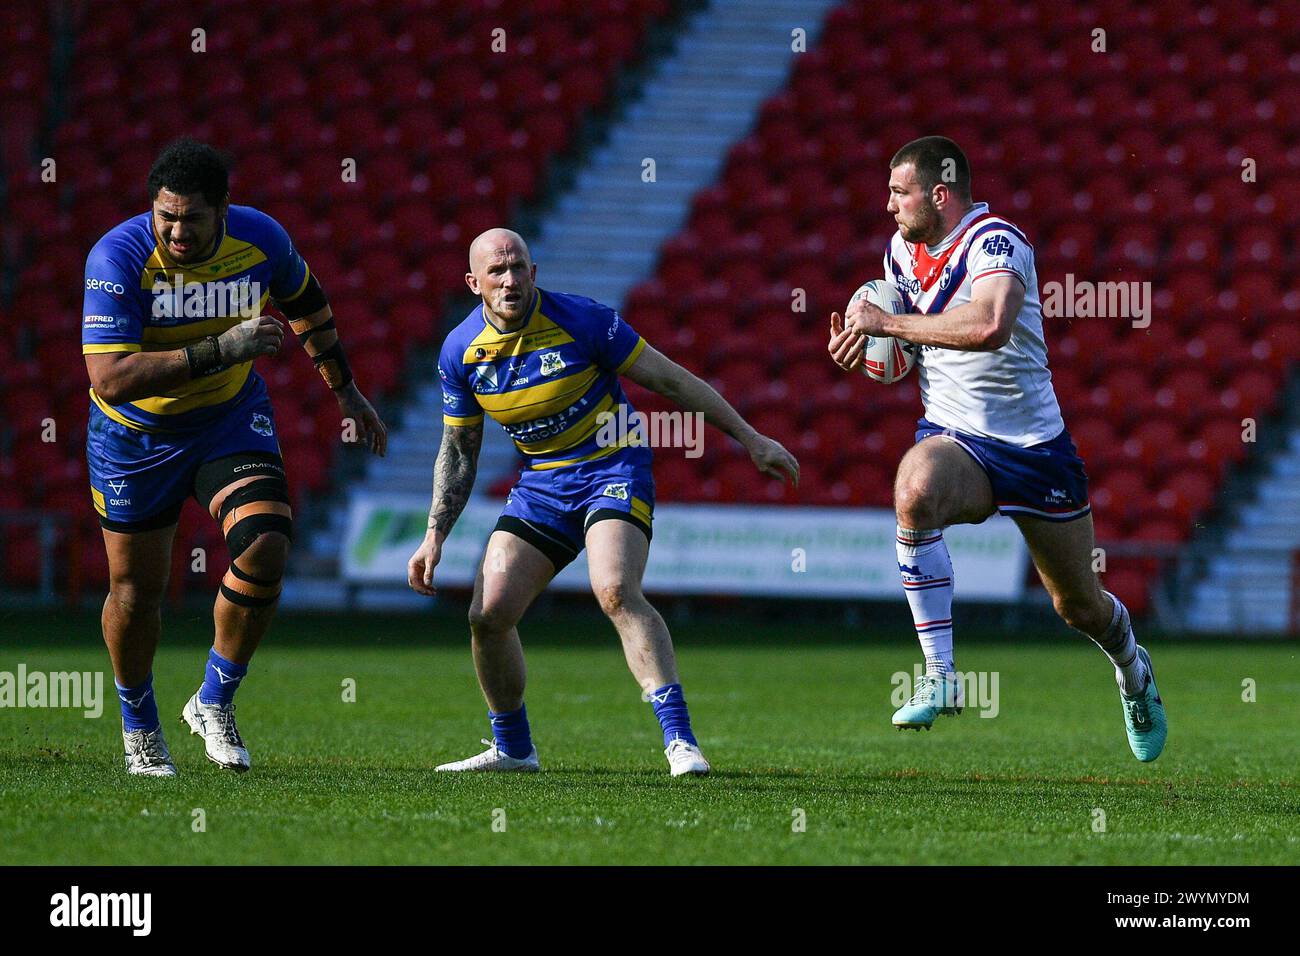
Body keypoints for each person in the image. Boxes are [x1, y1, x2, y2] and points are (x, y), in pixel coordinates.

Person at [407, 228, 798, 776]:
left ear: (534, 272)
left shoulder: (584, 321)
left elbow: (672, 381)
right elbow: (459, 450)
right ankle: (514, 749)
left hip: (614, 465)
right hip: (543, 482)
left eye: (519, 267)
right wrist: (434, 535)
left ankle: (680, 742)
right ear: (474, 283)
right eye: (497, 272)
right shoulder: (459, 353)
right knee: (488, 614)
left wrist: (750, 438)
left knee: (614, 588)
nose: (511, 280)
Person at [828, 136, 1167, 761]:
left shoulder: (997, 241)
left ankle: (1133, 671)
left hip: (1036, 450)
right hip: (956, 437)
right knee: (914, 493)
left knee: (1078, 606)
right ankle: (941, 674)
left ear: (939, 193)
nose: (889, 206)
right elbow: (904, 349)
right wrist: (871, 352)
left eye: (899, 192)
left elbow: (989, 326)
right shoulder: (899, 251)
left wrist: (888, 327)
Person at [82, 138, 387, 776]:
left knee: (268, 542)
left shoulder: (262, 240)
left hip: (226, 420)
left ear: (224, 209)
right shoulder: (118, 255)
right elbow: (110, 378)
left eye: (192, 217)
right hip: (135, 436)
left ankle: (213, 700)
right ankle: (139, 722)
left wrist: (348, 393)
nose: (176, 230)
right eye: (165, 216)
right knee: (136, 592)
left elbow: (309, 307)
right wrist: (223, 348)